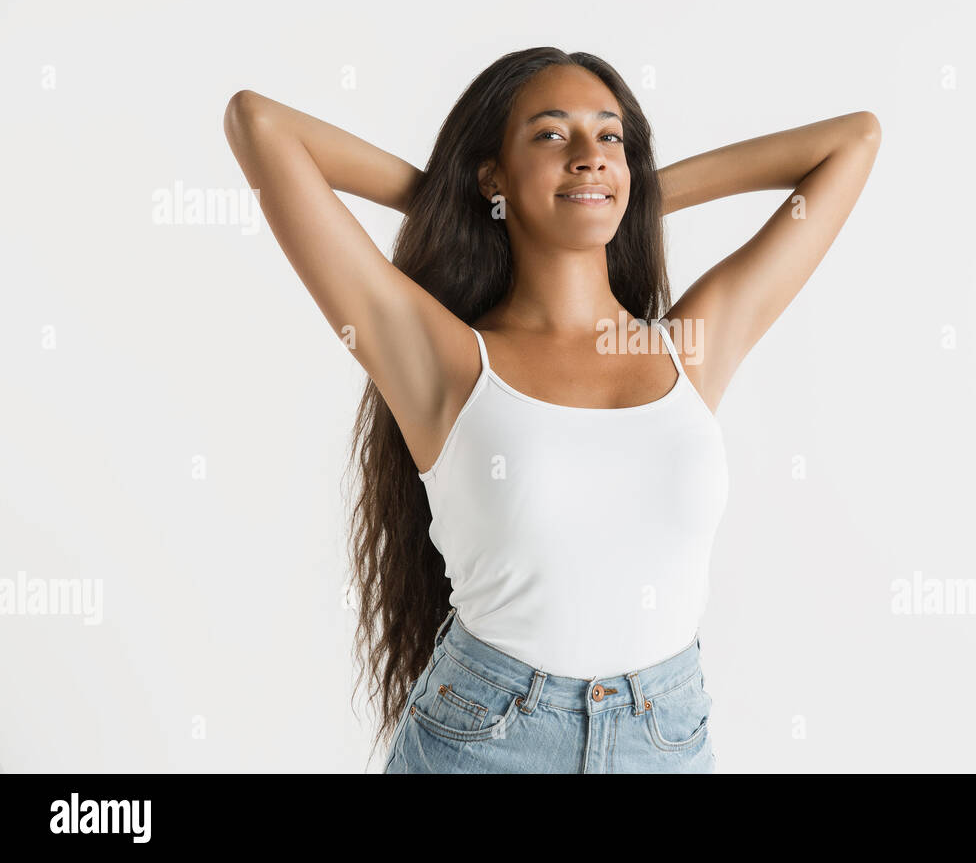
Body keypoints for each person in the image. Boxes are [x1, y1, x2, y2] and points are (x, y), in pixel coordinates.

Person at [222, 47, 882, 773]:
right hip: (486, 740)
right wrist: (462, 202)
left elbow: (853, 141)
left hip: (664, 740)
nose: (589, 156)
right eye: (550, 136)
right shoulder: (445, 363)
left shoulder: (692, 350)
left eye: (610, 138)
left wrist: (635, 196)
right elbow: (260, 124)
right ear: (493, 174)